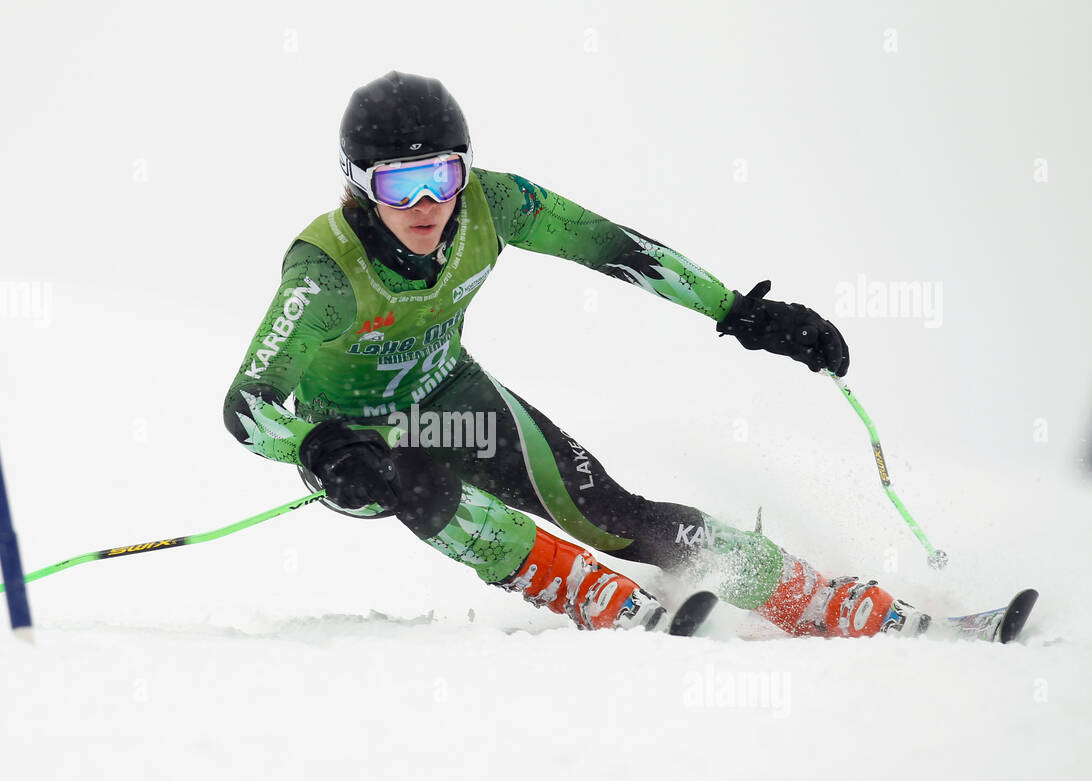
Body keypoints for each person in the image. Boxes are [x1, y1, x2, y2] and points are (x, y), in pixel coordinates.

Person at [223, 71, 927, 637]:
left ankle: (814, 599)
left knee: (611, 515)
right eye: (398, 184)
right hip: (362, 444)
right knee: (412, 476)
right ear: (358, 184)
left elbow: (616, 249)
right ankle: (589, 594)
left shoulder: (495, 206)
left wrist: (740, 312)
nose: (428, 203)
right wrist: (319, 448)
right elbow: (247, 407)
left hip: (450, 402)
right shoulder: (325, 278)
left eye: (442, 174)